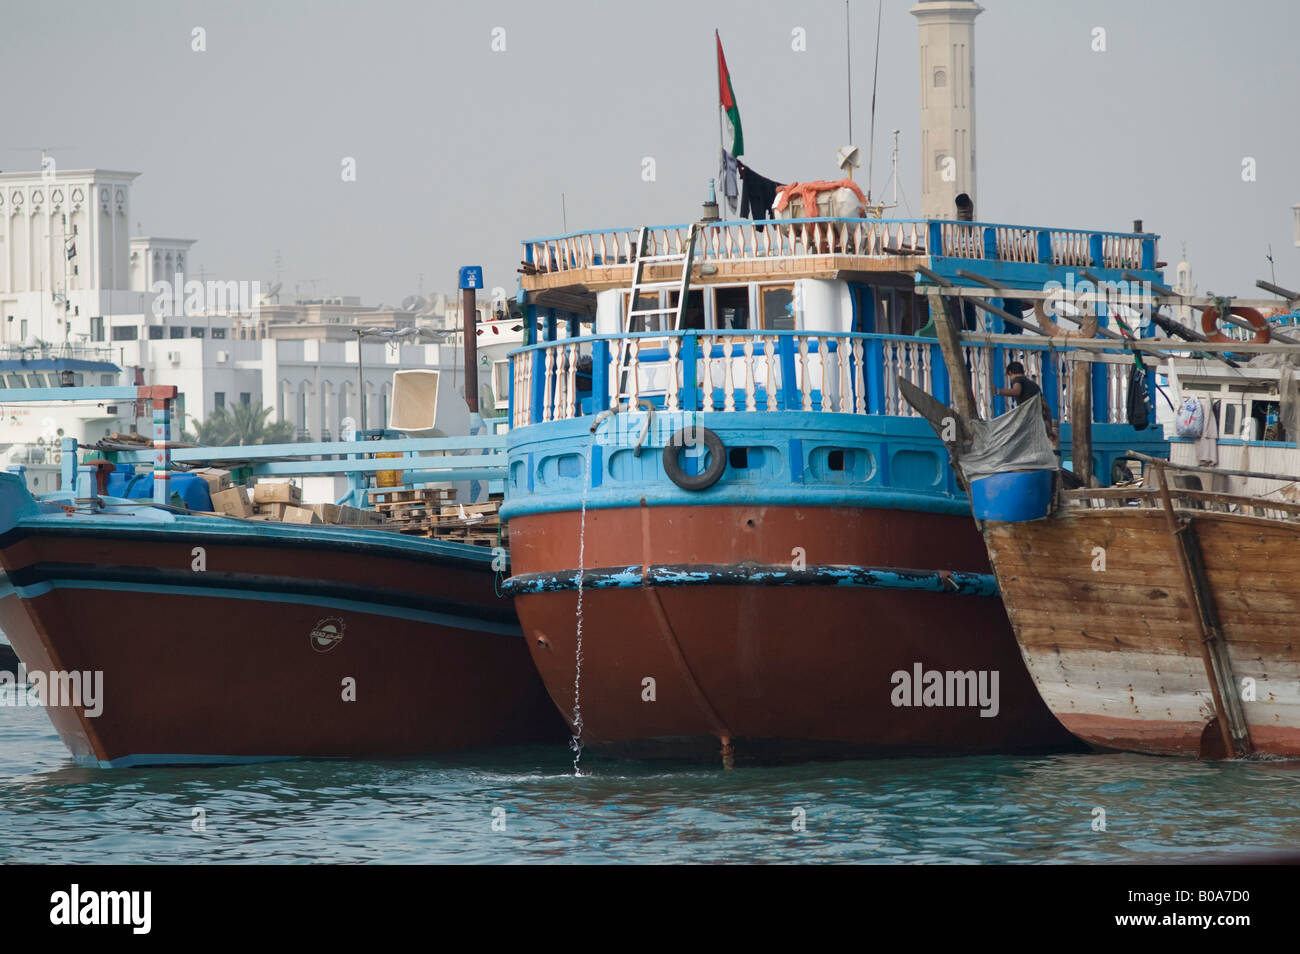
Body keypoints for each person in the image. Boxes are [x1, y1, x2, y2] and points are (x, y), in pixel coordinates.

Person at [996, 361, 1055, 440]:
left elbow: (1016, 391)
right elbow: (1046, 407)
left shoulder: (1017, 380)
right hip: (1041, 423)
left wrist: (998, 391)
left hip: (1027, 424)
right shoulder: (1034, 385)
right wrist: (1050, 429)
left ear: (1010, 373)